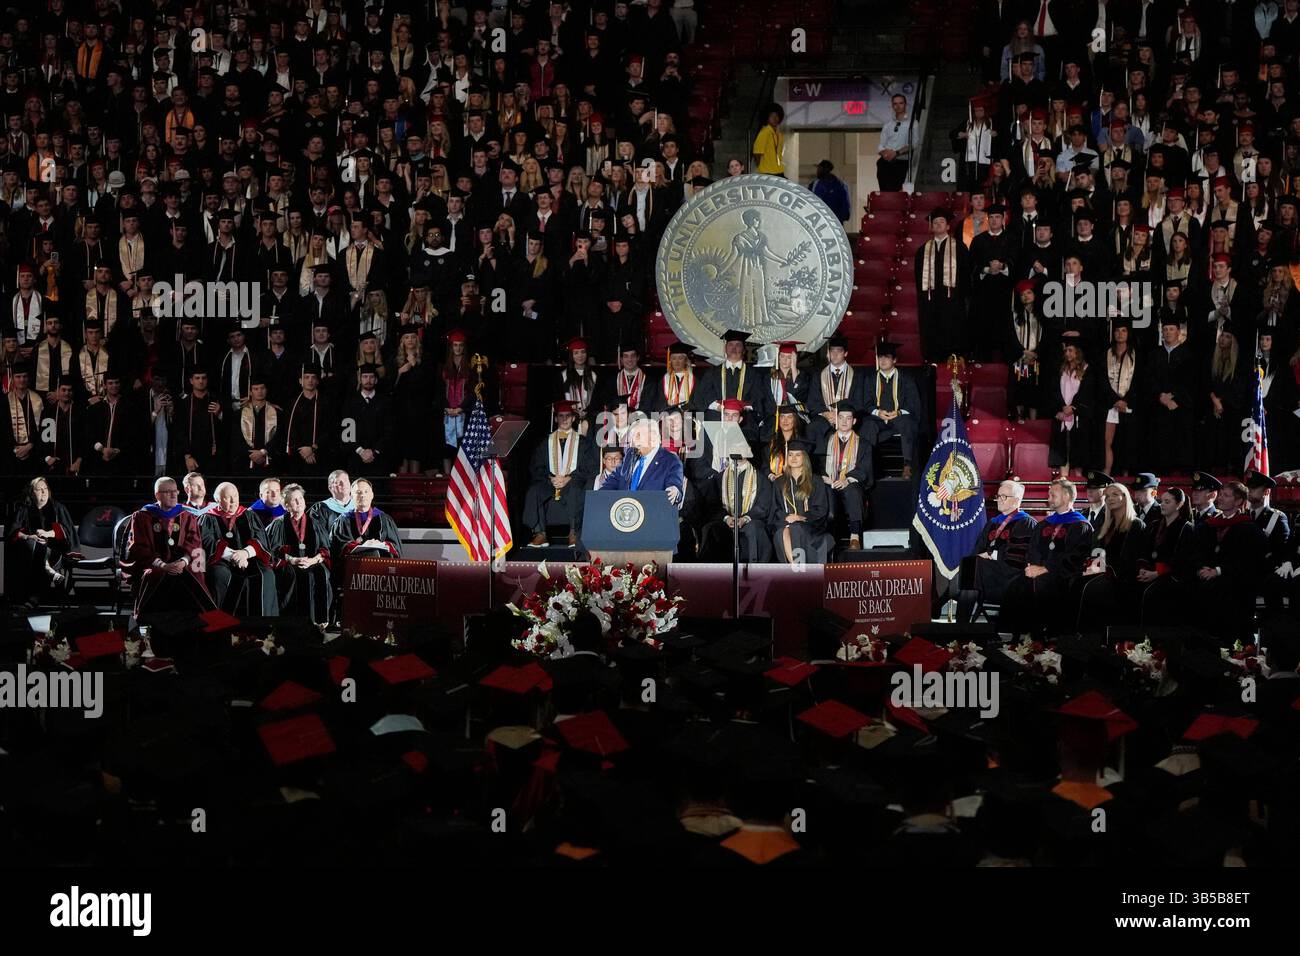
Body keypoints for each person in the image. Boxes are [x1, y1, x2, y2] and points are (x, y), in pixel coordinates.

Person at [998, 478, 1093, 637]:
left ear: (1066, 497)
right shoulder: (1044, 524)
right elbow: (1032, 550)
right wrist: (1032, 567)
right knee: (1015, 585)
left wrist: (1045, 568)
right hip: (1038, 572)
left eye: (1052, 495)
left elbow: (1076, 556)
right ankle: (1013, 636)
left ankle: (1041, 636)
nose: (1048, 498)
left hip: (1063, 575)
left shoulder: (1080, 525)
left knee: (1041, 587)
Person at [124, 475, 216, 618]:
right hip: (154, 564)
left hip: (182, 563)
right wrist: (162, 565)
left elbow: (195, 543)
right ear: (157, 495)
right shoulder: (142, 516)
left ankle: (199, 623)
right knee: (152, 575)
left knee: (195, 572)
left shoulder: (186, 515)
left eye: (175, 491)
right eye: (168, 492)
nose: (173, 495)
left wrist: (183, 561)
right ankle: (147, 622)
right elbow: (138, 547)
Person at [1191, 479, 1267, 643]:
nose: (1220, 498)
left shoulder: (1250, 529)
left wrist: (1218, 570)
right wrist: (1201, 568)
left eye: (1226, 495)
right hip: (1206, 579)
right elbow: (1196, 552)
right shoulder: (1208, 525)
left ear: (1239, 501)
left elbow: (1248, 561)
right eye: (1221, 495)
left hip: (1234, 584)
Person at [956, 480, 1037, 624]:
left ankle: (960, 625)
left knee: (974, 567)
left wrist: (992, 554)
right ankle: (961, 626)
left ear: (1017, 500)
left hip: (1010, 577)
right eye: (998, 496)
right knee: (970, 563)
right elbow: (978, 550)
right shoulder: (993, 522)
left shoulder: (1026, 523)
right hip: (988, 573)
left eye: (1003, 496)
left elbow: (1017, 559)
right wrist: (984, 555)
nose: (999, 499)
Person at [199, 481, 279, 616]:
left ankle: (262, 627)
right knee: (219, 575)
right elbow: (207, 542)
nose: (233, 500)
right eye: (227, 497)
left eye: (235, 496)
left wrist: (245, 553)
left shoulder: (248, 515)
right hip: (221, 560)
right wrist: (233, 556)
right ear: (218, 499)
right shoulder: (208, 518)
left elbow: (261, 539)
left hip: (248, 559)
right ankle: (222, 625)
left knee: (265, 574)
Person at [524, 401, 597, 547]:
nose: (564, 419)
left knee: (576, 488)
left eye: (568, 416)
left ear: (573, 418)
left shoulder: (583, 443)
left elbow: (589, 467)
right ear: (556, 418)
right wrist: (550, 478)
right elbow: (536, 466)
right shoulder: (545, 442)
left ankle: (574, 533)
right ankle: (540, 533)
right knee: (535, 490)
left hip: (573, 481)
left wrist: (569, 478)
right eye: (561, 416)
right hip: (550, 481)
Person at [1076, 482, 1146, 631]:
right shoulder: (1105, 526)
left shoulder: (1136, 525)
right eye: (1107, 496)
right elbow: (1096, 555)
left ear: (1125, 497)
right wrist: (1091, 570)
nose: (1110, 498)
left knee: (1092, 588)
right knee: (1077, 582)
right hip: (1102, 575)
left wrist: (1105, 571)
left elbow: (1130, 558)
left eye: (1115, 494)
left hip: (1123, 579)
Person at [266, 482, 332, 626]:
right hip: (289, 565)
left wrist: (313, 560)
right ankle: (295, 623)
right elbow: (273, 551)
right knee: (297, 575)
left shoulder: (315, 524)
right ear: (286, 505)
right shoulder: (278, 524)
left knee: (320, 572)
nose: (299, 502)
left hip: (313, 562)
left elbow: (325, 549)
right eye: (294, 500)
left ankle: (320, 622)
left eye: (300, 498)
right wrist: (292, 560)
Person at [6, 477, 78, 602]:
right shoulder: (24, 509)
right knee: (31, 544)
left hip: (55, 551)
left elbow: (67, 532)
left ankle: (34, 597)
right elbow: (14, 531)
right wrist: (29, 536)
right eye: (39, 489)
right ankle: (49, 573)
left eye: (45, 489)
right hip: (30, 550)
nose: (44, 492)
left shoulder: (57, 508)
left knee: (36, 550)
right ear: (32, 493)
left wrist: (48, 533)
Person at [1133, 486, 1197, 626]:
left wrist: (1158, 573)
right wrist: (1143, 568)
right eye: (1162, 501)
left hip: (1171, 577)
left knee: (1153, 595)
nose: (1162, 504)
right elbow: (1143, 551)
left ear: (1179, 504)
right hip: (1149, 573)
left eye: (1167, 502)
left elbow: (1183, 559)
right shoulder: (1153, 525)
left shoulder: (1186, 528)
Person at [914, 208, 970, 362]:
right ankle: (931, 362)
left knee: (953, 331)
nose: (938, 224)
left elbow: (966, 275)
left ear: (948, 226)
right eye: (935, 222)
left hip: (953, 301)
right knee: (931, 332)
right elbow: (918, 280)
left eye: (941, 222)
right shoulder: (922, 251)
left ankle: (953, 363)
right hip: (930, 302)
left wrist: (960, 298)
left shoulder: (959, 248)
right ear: (931, 226)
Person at [860, 340, 921, 478]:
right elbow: (866, 403)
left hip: (899, 418)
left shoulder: (906, 378)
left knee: (906, 423)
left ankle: (907, 465)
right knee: (868, 426)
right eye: (880, 357)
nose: (883, 360)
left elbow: (913, 403)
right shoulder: (870, 379)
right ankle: (866, 467)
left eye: (887, 357)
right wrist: (878, 412)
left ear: (894, 360)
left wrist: (898, 412)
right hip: (878, 419)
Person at [697, 455, 774, 563]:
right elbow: (713, 505)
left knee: (755, 529)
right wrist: (726, 518)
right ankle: (714, 575)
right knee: (711, 528)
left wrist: (745, 519)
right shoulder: (719, 478)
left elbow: (763, 505)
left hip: (750, 521)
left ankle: (755, 572)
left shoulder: (760, 478)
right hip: (726, 523)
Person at [769, 437, 832, 565]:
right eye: (790, 455)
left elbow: (820, 509)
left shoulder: (816, 481)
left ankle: (797, 568)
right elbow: (775, 508)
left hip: (810, 524)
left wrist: (800, 517)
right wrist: (787, 517)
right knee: (783, 531)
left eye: (798, 455)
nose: (793, 458)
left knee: (795, 528)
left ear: (805, 458)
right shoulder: (779, 482)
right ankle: (796, 566)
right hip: (785, 522)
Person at [817, 402, 871, 549]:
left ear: (854, 421)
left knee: (854, 491)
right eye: (841, 418)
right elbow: (817, 464)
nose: (844, 421)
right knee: (822, 490)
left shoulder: (864, 444)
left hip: (850, 482)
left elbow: (865, 469)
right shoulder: (825, 440)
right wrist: (824, 477)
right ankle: (824, 538)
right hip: (828, 481)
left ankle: (854, 537)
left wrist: (847, 479)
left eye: (848, 418)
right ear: (836, 419)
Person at [599, 416, 686, 504]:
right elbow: (616, 478)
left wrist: (674, 491)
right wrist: (599, 495)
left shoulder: (670, 460)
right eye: (632, 436)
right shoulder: (630, 455)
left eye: (638, 435)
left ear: (653, 437)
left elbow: (674, 486)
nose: (633, 440)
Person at [1044, 332, 1097, 476]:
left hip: (1078, 416)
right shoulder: (1060, 370)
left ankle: (1078, 482)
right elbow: (1054, 391)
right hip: (1061, 415)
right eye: (1066, 350)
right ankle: (1063, 480)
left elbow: (1086, 393)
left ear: (1077, 352)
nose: (1067, 353)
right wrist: (1061, 408)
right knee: (1063, 452)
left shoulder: (1086, 370)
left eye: (1070, 350)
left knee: (1078, 453)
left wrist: (1073, 408)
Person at [328, 478, 403, 569]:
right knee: (371, 553)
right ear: (351, 496)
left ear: (372, 495)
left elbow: (395, 547)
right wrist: (359, 546)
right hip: (352, 567)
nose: (362, 495)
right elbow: (337, 547)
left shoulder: (384, 519)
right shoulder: (343, 520)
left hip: (380, 566)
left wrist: (381, 544)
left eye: (366, 492)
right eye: (358, 492)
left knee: (374, 553)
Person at [877, 94, 914, 191]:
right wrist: (885, 153)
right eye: (895, 104)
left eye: (901, 103)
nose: (898, 106)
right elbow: (881, 145)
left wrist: (896, 153)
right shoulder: (888, 125)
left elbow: (913, 144)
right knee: (881, 164)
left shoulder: (913, 124)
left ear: (905, 105)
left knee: (896, 191)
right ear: (892, 106)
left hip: (902, 161)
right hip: (886, 160)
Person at [751, 104, 785, 176]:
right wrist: (761, 168)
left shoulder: (779, 134)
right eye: (772, 116)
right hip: (767, 172)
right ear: (766, 117)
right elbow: (757, 153)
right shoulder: (764, 132)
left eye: (777, 116)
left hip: (779, 170)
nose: (775, 119)